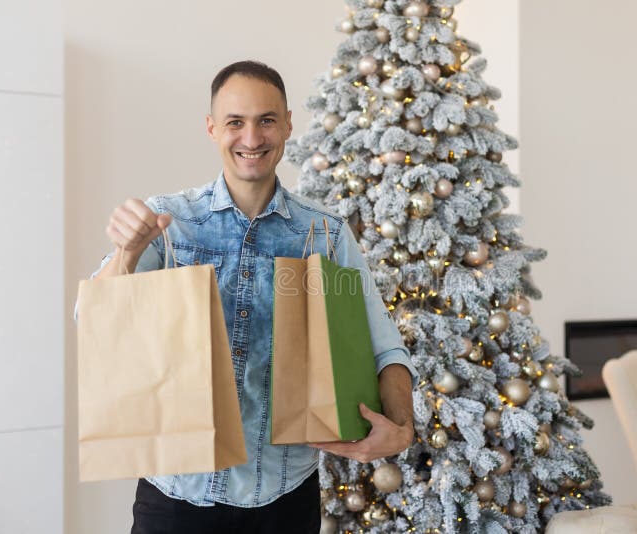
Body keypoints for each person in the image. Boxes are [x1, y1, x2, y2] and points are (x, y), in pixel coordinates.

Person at [88, 60, 418, 534]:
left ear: (287, 123)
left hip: (285, 501)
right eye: (235, 123)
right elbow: (96, 319)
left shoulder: (325, 234)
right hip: (175, 501)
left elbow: (384, 345)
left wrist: (401, 427)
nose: (252, 138)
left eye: (266, 120)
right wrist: (127, 253)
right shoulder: (167, 222)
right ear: (211, 128)